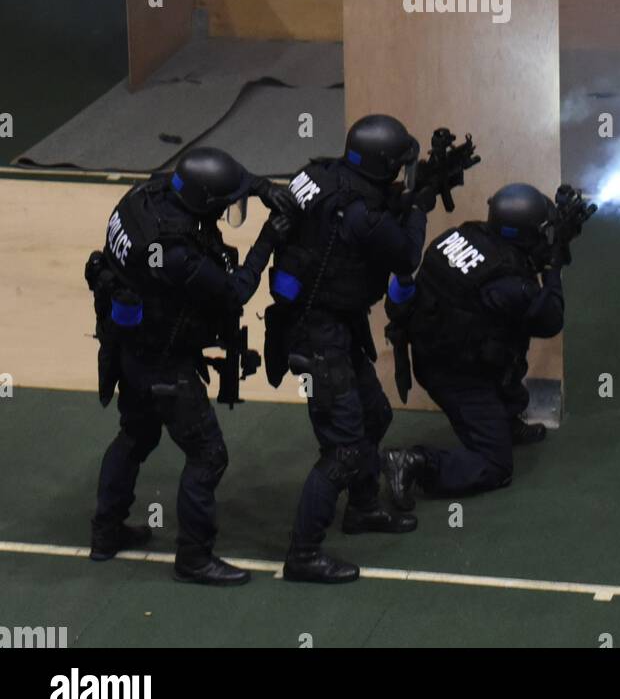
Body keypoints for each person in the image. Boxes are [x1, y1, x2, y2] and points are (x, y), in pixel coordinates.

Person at [86, 147, 295, 585]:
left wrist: (258, 187)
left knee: (135, 436)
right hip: (165, 363)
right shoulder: (174, 253)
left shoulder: (147, 195)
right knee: (208, 455)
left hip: (128, 347)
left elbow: (206, 178)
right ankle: (195, 556)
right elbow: (234, 292)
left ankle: (106, 533)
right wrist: (267, 240)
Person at [264, 115, 432, 584]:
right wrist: (418, 208)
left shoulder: (321, 177)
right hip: (318, 335)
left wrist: (404, 199)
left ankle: (362, 508)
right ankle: (303, 554)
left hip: (330, 323)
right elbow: (405, 255)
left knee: (374, 419)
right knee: (342, 450)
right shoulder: (359, 211)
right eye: (397, 167)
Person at [381, 183, 570, 508]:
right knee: (496, 466)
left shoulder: (462, 236)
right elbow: (550, 319)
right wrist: (554, 267)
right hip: (456, 376)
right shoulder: (507, 283)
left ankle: (507, 420)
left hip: (441, 350)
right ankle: (415, 461)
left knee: (504, 338)